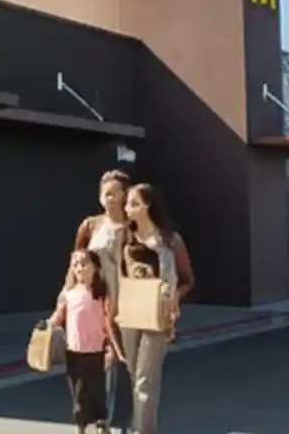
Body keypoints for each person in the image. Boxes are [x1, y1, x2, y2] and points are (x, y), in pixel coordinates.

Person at [119, 183, 195, 434]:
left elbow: (187, 280)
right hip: (130, 313)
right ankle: (138, 425)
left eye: (134, 203)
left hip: (157, 315)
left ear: (148, 206)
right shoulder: (125, 240)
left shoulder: (170, 241)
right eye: (128, 204)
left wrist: (174, 296)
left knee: (145, 379)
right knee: (134, 375)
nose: (128, 209)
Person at [75, 169, 134, 432]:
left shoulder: (134, 227)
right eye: (104, 193)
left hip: (128, 304)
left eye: (114, 193)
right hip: (96, 304)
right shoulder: (91, 226)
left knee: (124, 363)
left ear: (125, 195)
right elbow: (76, 263)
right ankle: (101, 421)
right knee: (97, 362)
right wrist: (66, 299)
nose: (108, 198)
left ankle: (122, 421)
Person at [51, 249, 124, 434]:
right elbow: (58, 317)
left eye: (83, 263)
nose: (79, 268)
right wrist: (48, 326)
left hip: (95, 352)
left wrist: (113, 349)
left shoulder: (101, 295)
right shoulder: (69, 294)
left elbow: (108, 324)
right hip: (73, 352)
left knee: (96, 391)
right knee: (78, 392)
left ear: (95, 268)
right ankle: (81, 427)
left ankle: (101, 422)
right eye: (75, 264)